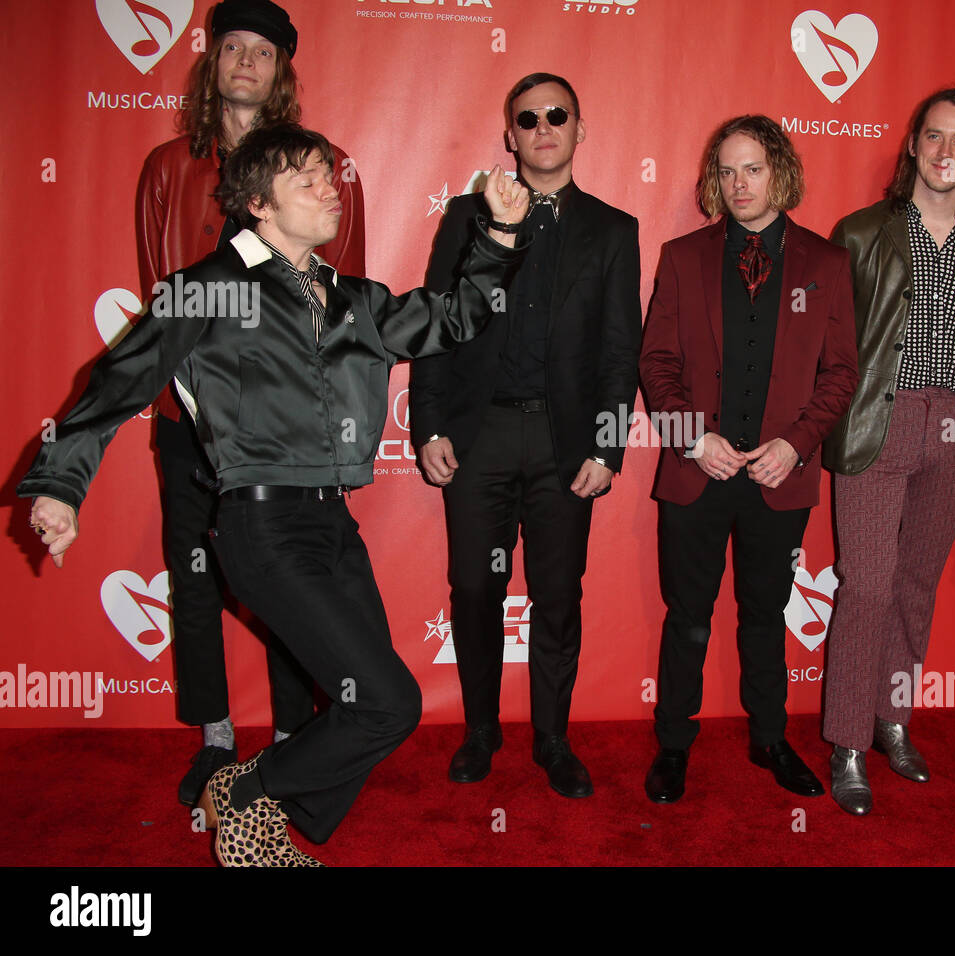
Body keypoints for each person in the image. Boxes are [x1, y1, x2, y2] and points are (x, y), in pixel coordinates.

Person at [21, 124, 528, 865]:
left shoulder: (353, 298)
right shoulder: (206, 290)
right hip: (262, 529)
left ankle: (250, 808)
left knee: (375, 706)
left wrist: (502, 233)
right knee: (391, 703)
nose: (331, 189)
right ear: (258, 202)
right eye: (308, 179)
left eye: (331, 175)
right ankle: (247, 797)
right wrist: (61, 486)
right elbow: (114, 384)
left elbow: (453, 319)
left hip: (333, 526)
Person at [136, 0, 365, 808]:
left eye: (261, 51)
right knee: (194, 576)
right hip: (188, 420)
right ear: (211, 63)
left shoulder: (323, 165)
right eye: (230, 47)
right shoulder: (167, 167)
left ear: (281, 72)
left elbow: (346, 300)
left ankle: (297, 742)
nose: (244, 61)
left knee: (291, 580)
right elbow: (157, 294)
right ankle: (215, 739)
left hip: (287, 428)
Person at [408, 73, 640, 798]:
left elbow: (618, 354)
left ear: (578, 127)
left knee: (559, 594)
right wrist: (429, 425)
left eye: (557, 115)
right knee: (475, 587)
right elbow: (435, 327)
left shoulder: (613, 229)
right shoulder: (464, 217)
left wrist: (607, 448)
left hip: (565, 442)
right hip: (479, 436)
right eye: (528, 118)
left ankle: (552, 738)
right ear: (510, 135)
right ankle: (481, 731)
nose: (543, 127)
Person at [639, 115, 858, 803]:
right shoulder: (682, 256)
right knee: (689, 615)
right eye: (727, 171)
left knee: (765, 615)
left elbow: (841, 374)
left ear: (779, 172)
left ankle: (770, 737)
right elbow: (657, 361)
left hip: (776, 476)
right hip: (694, 473)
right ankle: (674, 742)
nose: (739, 184)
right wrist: (692, 437)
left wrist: (795, 445)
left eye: (753, 169)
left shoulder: (827, 265)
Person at [819, 89, 955, 815]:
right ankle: (846, 743)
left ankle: (891, 719)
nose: (945, 152)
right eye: (933, 136)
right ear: (912, 146)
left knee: (915, 587)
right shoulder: (861, 232)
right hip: (880, 418)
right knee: (866, 584)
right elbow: (835, 346)